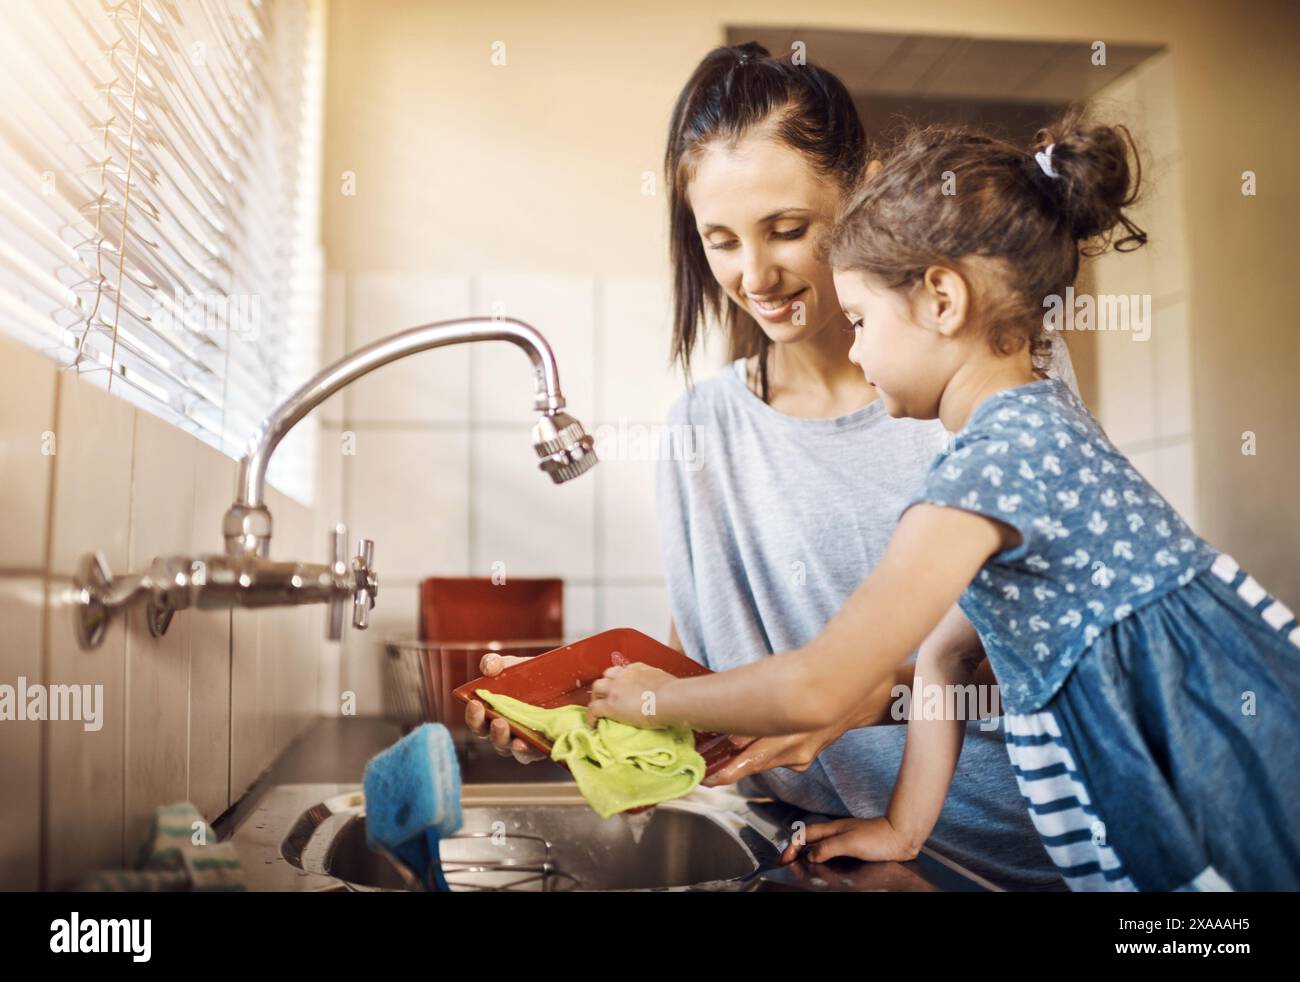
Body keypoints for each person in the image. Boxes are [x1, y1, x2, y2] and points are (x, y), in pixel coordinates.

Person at [589, 111, 1300, 891]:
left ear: (941, 300)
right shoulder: (1040, 419)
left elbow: (821, 683)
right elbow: (947, 653)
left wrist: (657, 698)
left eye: (861, 320)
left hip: (1210, 779)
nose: (853, 350)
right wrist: (903, 828)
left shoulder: (980, 477)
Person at [469, 42, 1067, 890]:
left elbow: (1066, 658)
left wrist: (871, 693)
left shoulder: (988, 374)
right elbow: (703, 692)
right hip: (827, 853)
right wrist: (574, 714)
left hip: (1032, 852)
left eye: (787, 230)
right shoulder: (700, 430)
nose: (756, 275)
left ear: (860, 189)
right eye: (720, 241)